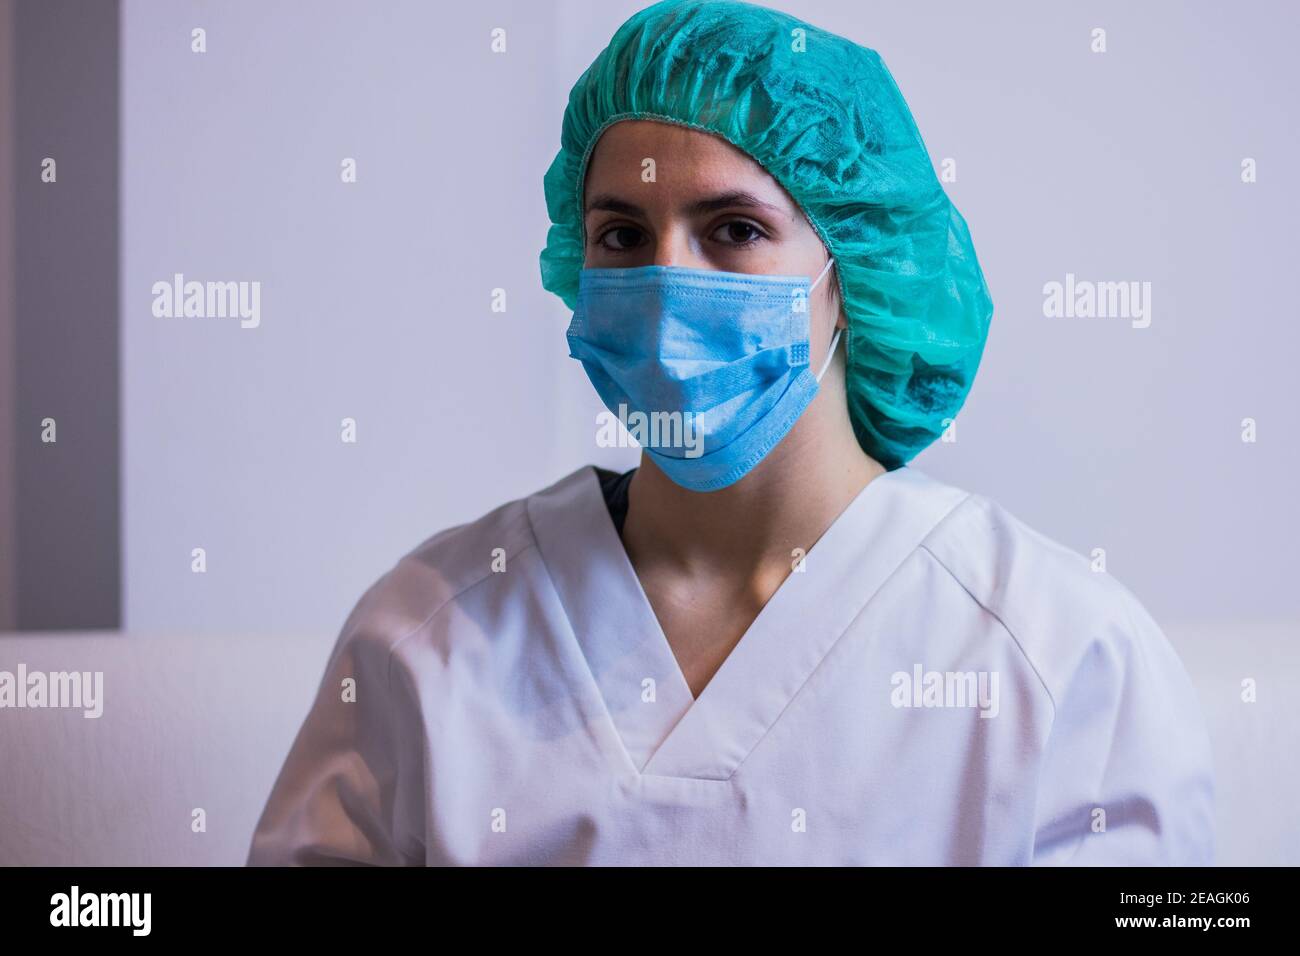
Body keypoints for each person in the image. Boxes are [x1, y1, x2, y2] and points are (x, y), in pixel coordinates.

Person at [246, 0, 1213, 866]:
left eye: (734, 230)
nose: (667, 285)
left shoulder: (1055, 654)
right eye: (621, 235)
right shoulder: (433, 634)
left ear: (855, 270)